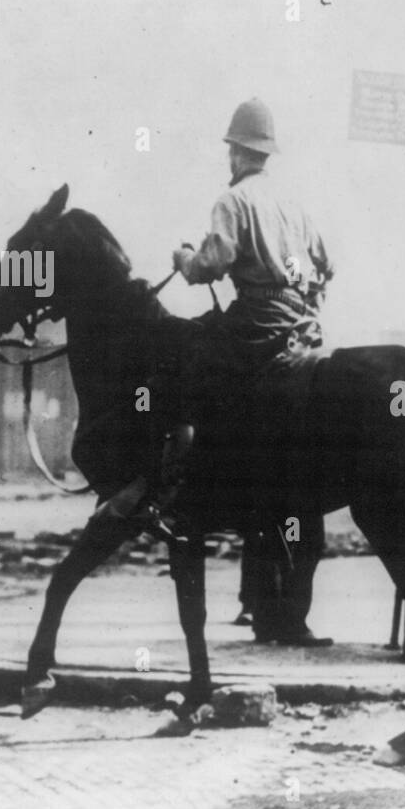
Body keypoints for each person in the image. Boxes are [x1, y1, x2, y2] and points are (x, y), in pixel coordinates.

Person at [120, 97, 335, 647]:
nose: (232, 157)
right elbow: (326, 265)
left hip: (256, 326)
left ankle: (177, 482)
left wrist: (183, 259)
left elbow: (212, 266)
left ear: (239, 151)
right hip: (304, 329)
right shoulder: (296, 202)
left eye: (232, 149)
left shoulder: (233, 199)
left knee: (181, 361)